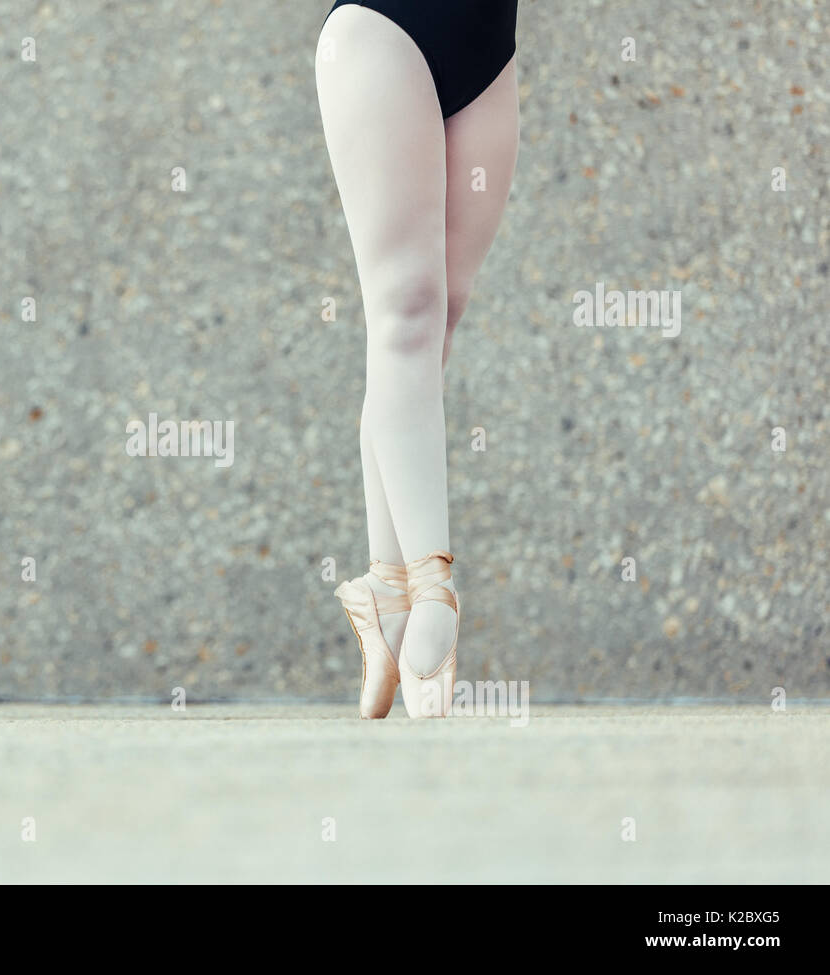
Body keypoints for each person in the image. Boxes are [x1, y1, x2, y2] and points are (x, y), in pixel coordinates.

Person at [316, 2, 519, 718]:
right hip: (379, 30)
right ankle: (434, 592)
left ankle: (385, 588)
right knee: (405, 307)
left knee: (440, 316)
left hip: (487, 48)